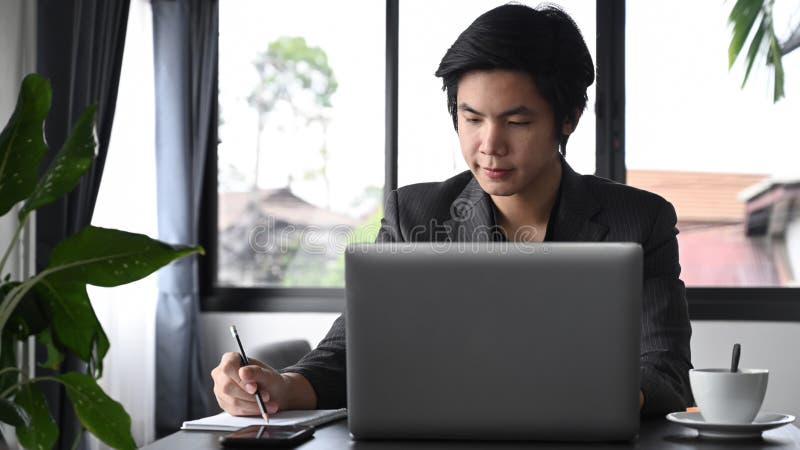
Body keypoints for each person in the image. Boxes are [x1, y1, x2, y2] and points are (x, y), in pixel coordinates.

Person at [211, 3, 693, 417]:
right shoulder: (415, 215)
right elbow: (353, 350)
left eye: (517, 121)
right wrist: (283, 386)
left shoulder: (639, 221)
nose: (489, 146)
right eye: (471, 118)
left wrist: (606, 398)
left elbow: (666, 372)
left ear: (568, 119)